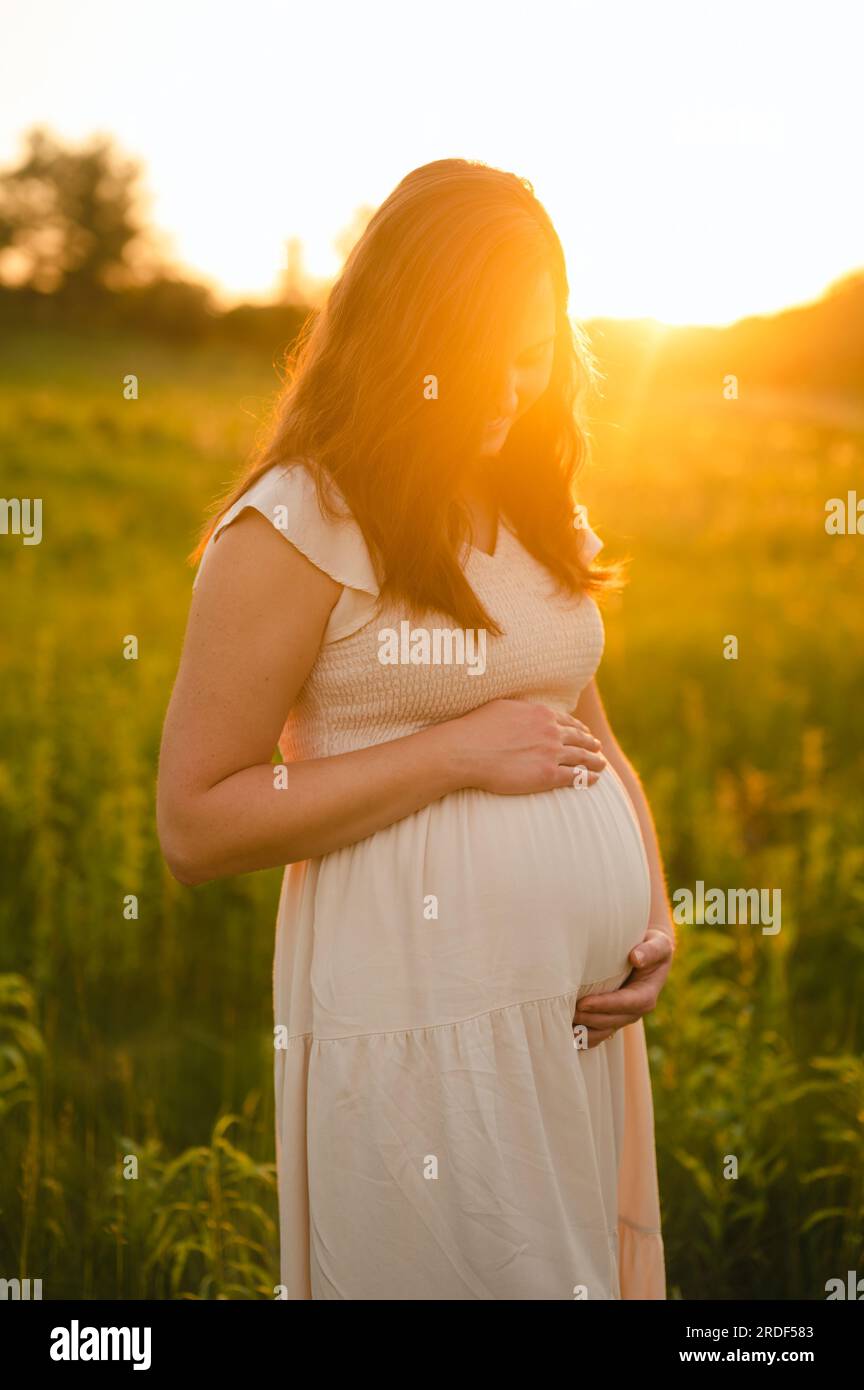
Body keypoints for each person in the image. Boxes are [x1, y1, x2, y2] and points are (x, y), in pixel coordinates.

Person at [156, 158, 676, 1300]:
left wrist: (651, 912)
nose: (508, 390)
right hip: (416, 1022)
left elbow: (582, 718)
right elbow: (195, 824)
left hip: (572, 1028)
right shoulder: (298, 522)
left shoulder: (533, 501)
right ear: (401, 338)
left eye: (533, 354)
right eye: (479, 355)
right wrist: (448, 754)